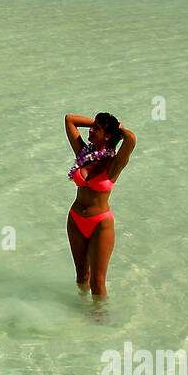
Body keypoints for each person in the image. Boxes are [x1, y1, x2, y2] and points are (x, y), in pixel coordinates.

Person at [64, 112, 135, 297]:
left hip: (99, 224)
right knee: (81, 277)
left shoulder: (114, 164)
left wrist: (118, 128)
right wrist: (98, 124)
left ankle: (100, 318)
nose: (91, 129)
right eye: (92, 126)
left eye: (97, 128)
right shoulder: (84, 153)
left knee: (97, 282)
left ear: (108, 135)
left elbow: (131, 139)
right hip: (75, 220)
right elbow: (69, 119)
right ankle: (79, 310)